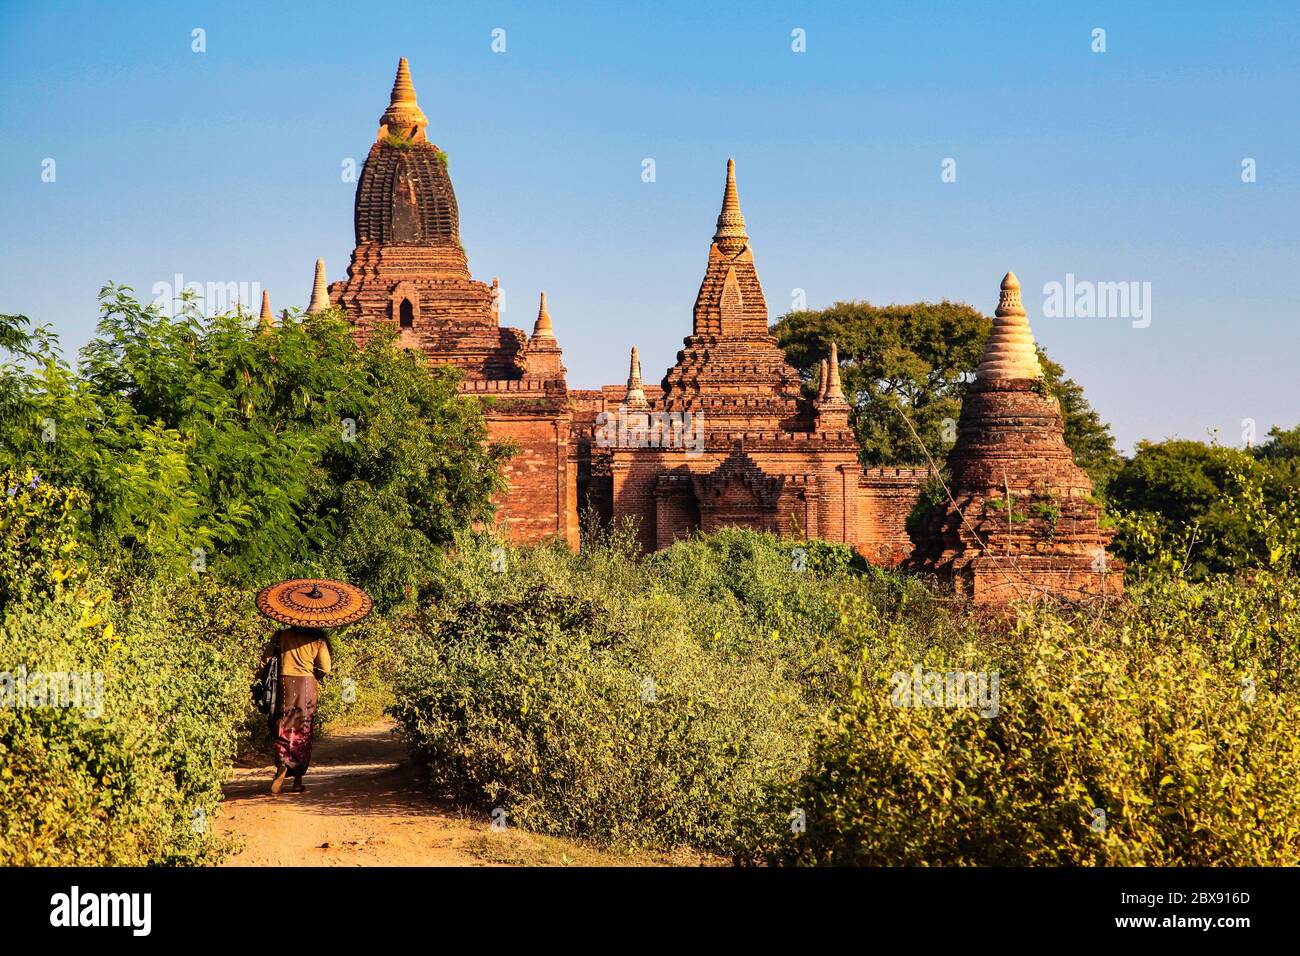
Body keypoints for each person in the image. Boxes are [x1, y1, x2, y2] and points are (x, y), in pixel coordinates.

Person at [258, 626, 332, 795]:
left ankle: (282, 764)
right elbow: (325, 667)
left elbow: (266, 660)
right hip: (307, 684)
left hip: (283, 683)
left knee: (283, 724)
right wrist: (314, 674)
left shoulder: (281, 635)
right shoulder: (318, 638)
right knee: (303, 729)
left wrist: (256, 680)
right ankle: (298, 781)